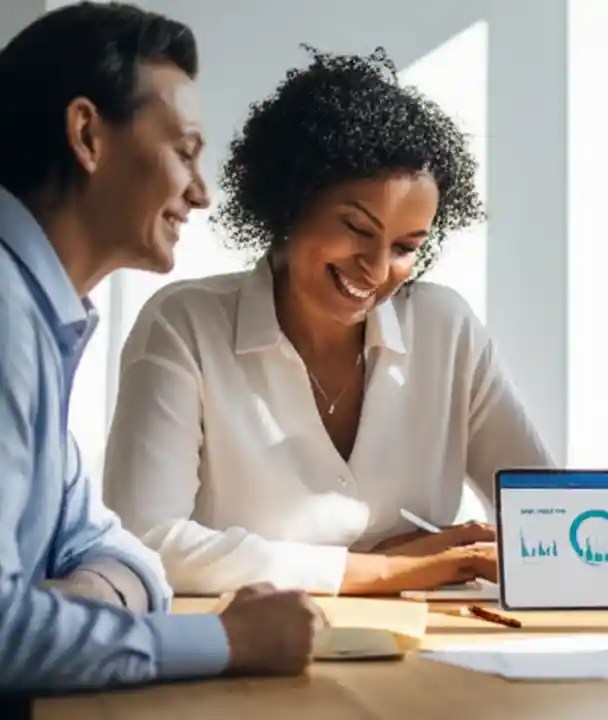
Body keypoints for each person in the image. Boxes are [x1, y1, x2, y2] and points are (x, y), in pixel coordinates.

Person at [103, 48, 553, 597]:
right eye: (356, 228)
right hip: (249, 654)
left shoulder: (445, 328)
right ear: (291, 205)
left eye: (406, 246)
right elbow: (145, 540)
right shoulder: (185, 327)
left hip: (431, 647)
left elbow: (544, 512)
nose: (378, 267)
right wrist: (381, 570)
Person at [0, 2, 321, 691]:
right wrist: (226, 640)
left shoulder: (38, 313)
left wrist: (79, 611)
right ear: (88, 135)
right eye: (185, 152)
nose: (201, 194)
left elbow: (114, 547)